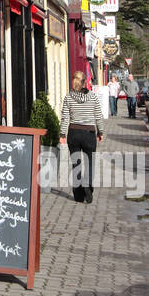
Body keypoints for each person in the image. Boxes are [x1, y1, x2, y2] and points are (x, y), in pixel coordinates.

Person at [59, 70, 105, 203]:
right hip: (89, 133)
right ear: (85, 82)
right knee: (90, 162)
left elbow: (65, 117)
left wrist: (62, 134)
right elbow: (98, 116)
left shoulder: (68, 97)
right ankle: (88, 186)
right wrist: (100, 132)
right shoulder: (92, 97)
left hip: (73, 132)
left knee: (76, 163)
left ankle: (78, 194)